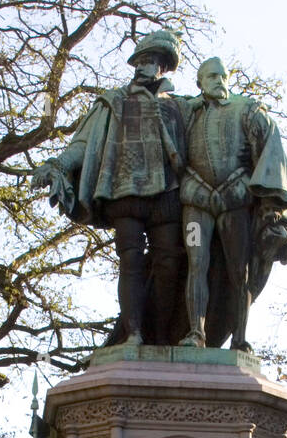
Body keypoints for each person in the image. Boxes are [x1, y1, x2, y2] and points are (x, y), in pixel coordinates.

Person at [32, 29, 187, 346]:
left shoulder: (180, 107)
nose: (143, 66)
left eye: (151, 61)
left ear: (164, 66)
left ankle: (159, 335)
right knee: (130, 260)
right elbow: (84, 143)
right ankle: (133, 333)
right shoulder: (113, 101)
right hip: (124, 192)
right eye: (140, 60)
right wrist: (59, 165)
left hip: (167, 193)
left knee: (169, 261)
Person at [178, 57, 287, 351]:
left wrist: (271, 205)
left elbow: (269, 149)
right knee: (197, 261)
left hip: (235, 199)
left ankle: (240, 337)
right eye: (210, 77)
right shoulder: (185, 112)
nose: (218, 81)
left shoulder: (247, 109)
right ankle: (196, 331)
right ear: (200, 83)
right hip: (196, 201)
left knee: (240, 269)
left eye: (222, 76)